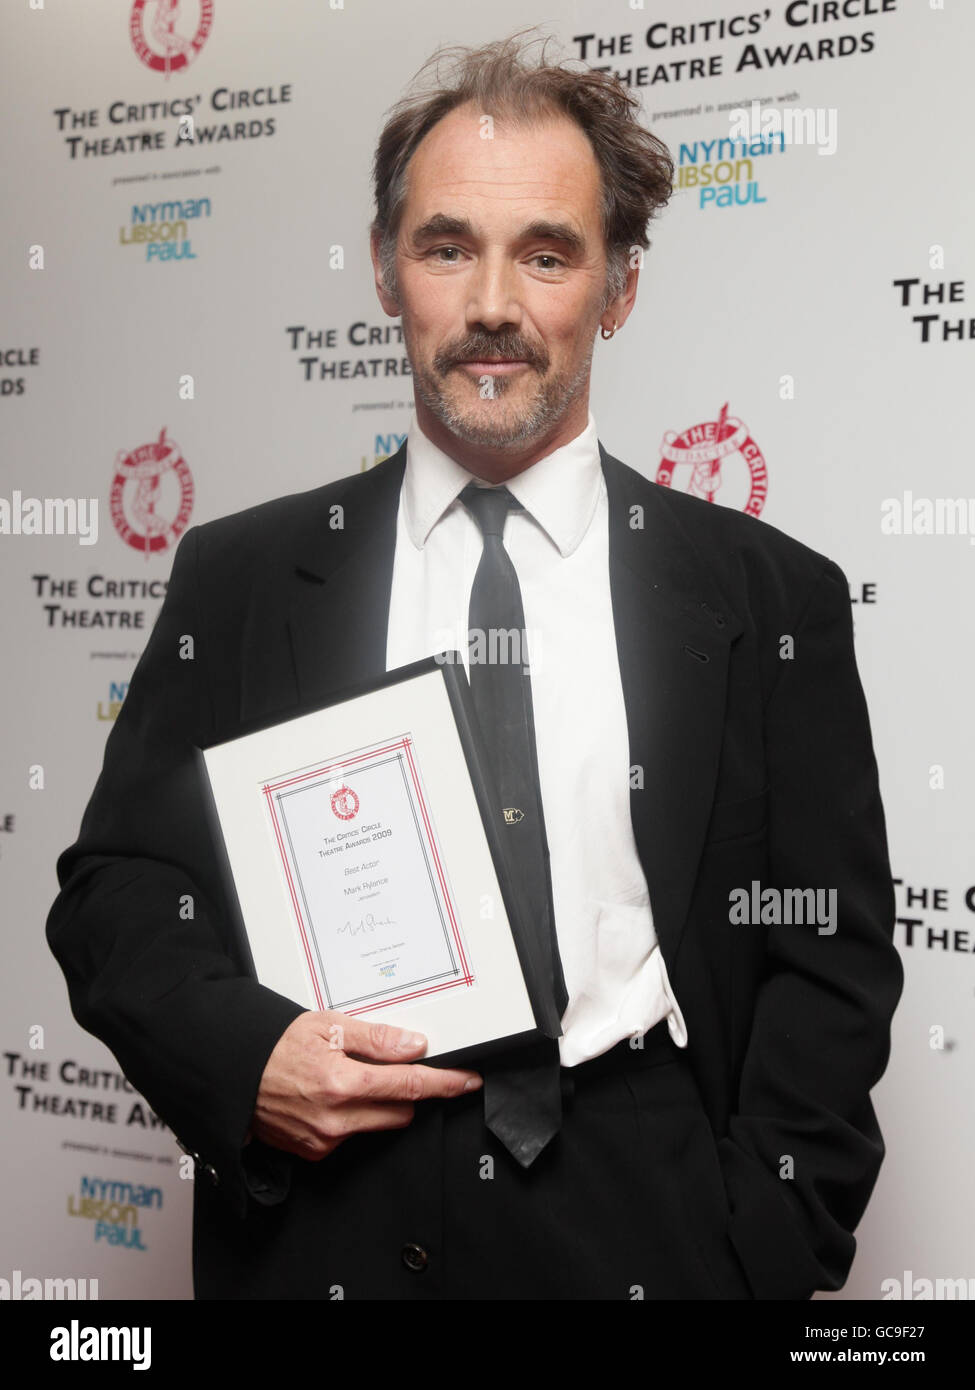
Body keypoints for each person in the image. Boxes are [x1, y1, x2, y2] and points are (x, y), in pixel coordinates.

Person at [46, 32, 903, 1301]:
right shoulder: (240, 578)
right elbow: (119, 893)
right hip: (328, 1215)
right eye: (447, 246)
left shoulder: (768, 597)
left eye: (547, 253)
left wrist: (761, 1248)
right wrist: (249, 1060)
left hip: (649, 1211)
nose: (493, 302)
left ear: (616, 287)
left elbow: (827, 952)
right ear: (390, 273)